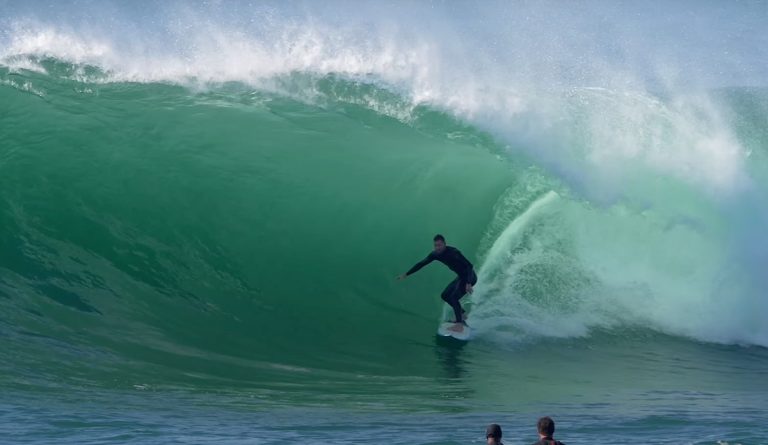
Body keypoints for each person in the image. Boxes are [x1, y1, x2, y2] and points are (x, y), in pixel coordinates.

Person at [397, 234, 477, 330]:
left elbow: (469, 266)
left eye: (440, 245)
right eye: (435, 245)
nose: (437, 247)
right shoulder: (435, 254)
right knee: (445, 295)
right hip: (461, 277)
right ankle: (463, 315)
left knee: (453, 297)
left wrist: (468, 283)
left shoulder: (453, 252)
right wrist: (406, 274)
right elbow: (422, 263)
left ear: (444, 244)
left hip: (470, 277)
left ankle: (459, 324)